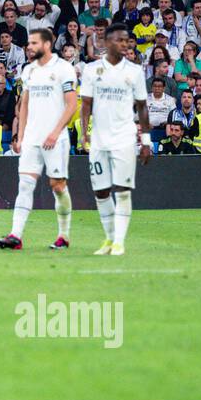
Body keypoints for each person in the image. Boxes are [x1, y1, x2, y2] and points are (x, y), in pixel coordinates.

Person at [0, 28, 77, 251]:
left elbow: (72, 104)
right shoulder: (29, 70)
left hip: (56, 138)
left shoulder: (64, 68)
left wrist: (55, 132)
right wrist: (20, 136)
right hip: (32, 138)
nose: (29, 47)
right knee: (25, 184)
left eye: (34, 43)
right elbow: (24, 104)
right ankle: (16, 235)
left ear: (47, 44)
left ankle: (64, 235)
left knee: (57, 186)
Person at [78, 25, 153, 257]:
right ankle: (109, 238)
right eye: (120, 40)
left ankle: (119, 241)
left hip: (124, 138)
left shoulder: (135, 71)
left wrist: (146, 141)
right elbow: (86, 104)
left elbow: (142, 106)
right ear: (107, 42)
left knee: (122, 190)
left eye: (126, 41)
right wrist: (84, 133)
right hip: (99, 140)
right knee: (100, 192)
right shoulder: (92, 70)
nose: (124, 44)